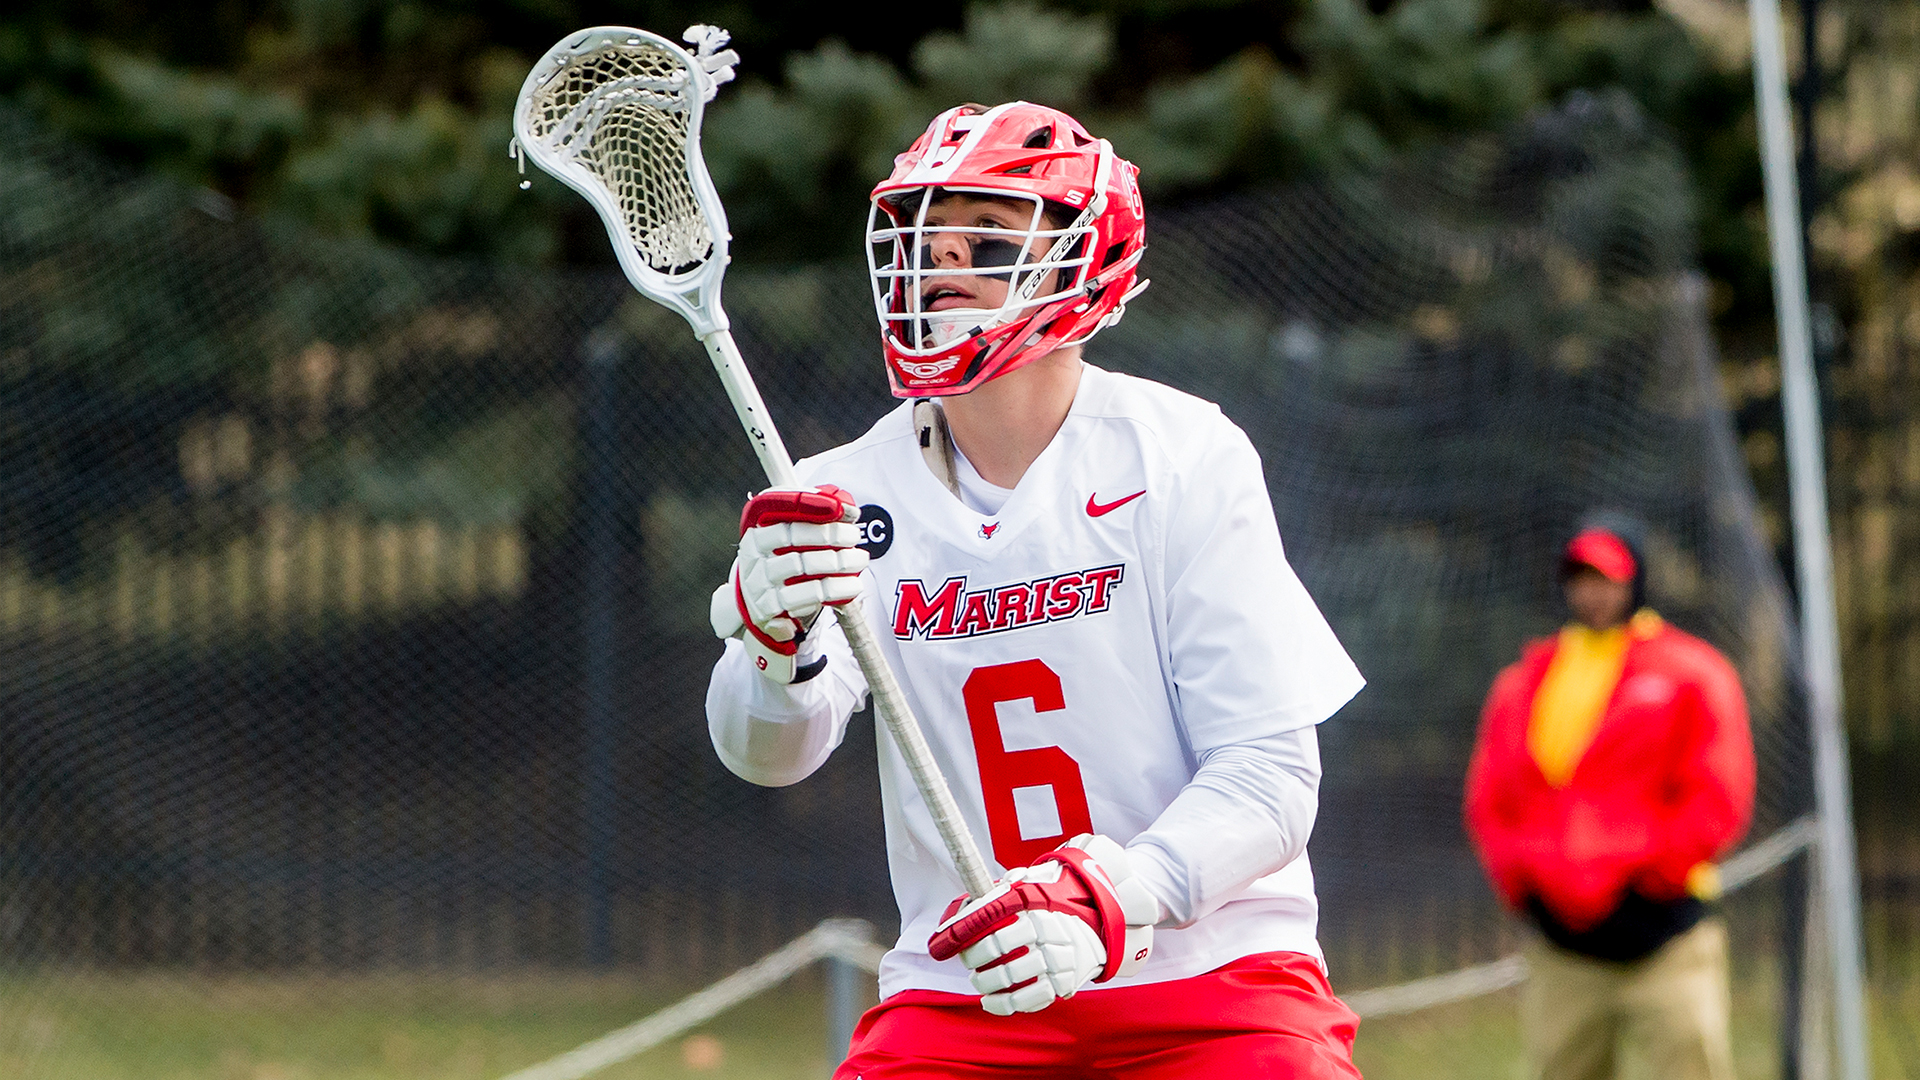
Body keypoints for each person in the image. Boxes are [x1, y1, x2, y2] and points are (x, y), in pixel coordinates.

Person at [704, 101, 1368, 1077]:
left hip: (1209, 981)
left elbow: (1270, 781)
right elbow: (769, 758)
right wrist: (772, 650)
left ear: (1078, 266)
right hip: (965, 988)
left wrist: (1116, 896)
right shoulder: (841, 491)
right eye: (924, 239)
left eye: (986, 238)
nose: (939, 266)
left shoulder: (1183, 456)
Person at [1464, 520, 1756, 1080]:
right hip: (1563, 945)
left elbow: (1719, 796)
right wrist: (1527, 885)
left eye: (1607, 579)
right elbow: (1491, 799)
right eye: (1580, 579)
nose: (1593, 593)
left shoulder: (1690, 671)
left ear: (1636, 582)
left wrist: (1651, 880)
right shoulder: (1527, 680)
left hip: (1666, 935)